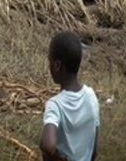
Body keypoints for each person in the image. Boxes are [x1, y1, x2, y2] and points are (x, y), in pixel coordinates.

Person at [40, 31, 99, 161]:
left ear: (57, 65)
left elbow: (48, 146)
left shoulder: (55, 105)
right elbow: (94, 150)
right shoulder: (91, 96)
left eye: (49, 60)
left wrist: (59, 157)